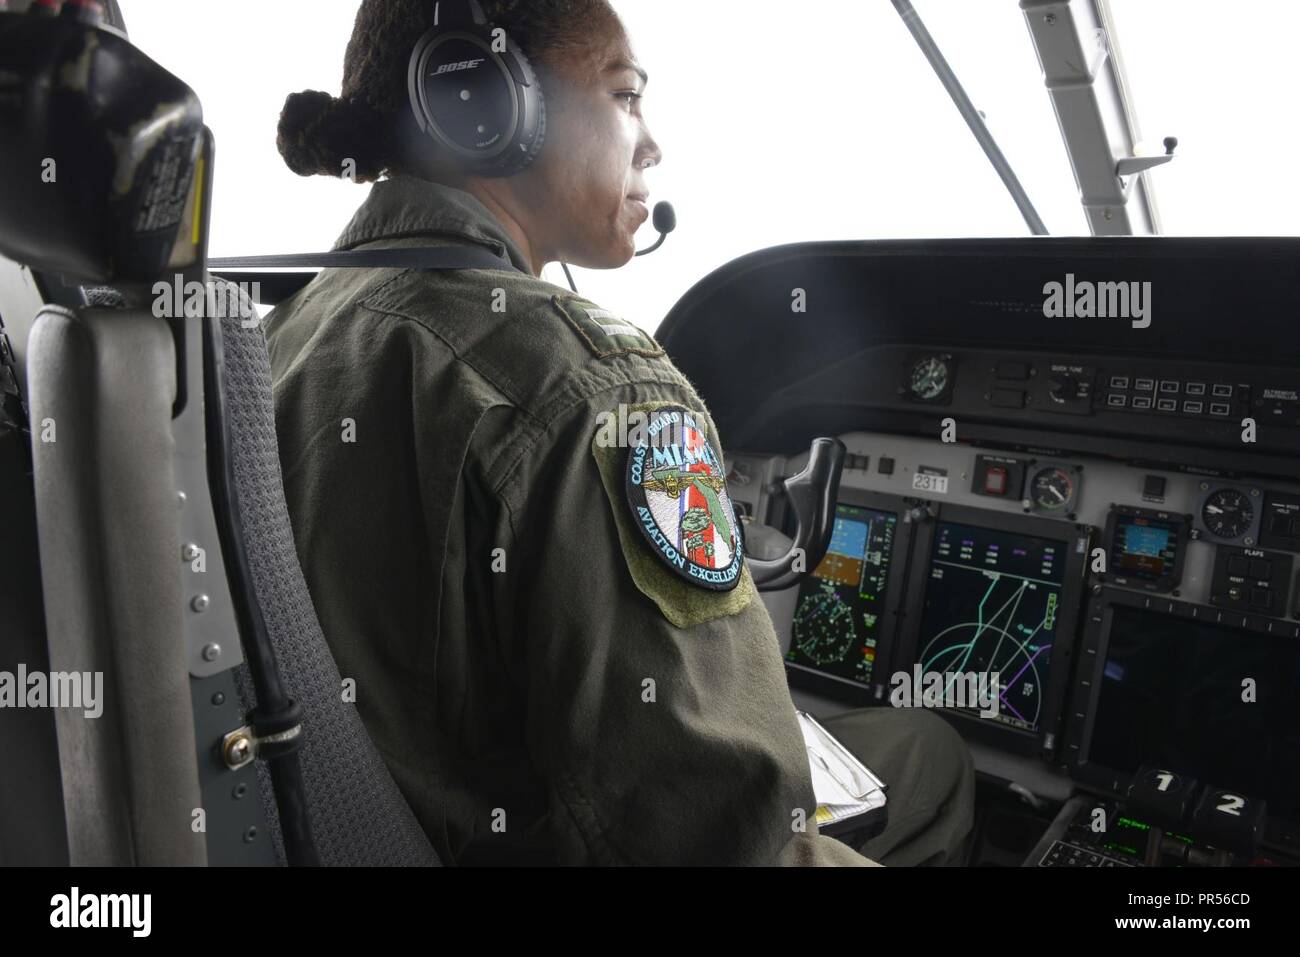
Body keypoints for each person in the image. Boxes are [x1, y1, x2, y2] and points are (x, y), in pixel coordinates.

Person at [264, 0, 974, 866]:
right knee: (933, 755)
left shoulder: (277, 337)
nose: (652, 143)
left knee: (910, 745)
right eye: (626, 94)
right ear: (482, 99)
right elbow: (736, 845)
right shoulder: (598, 388)